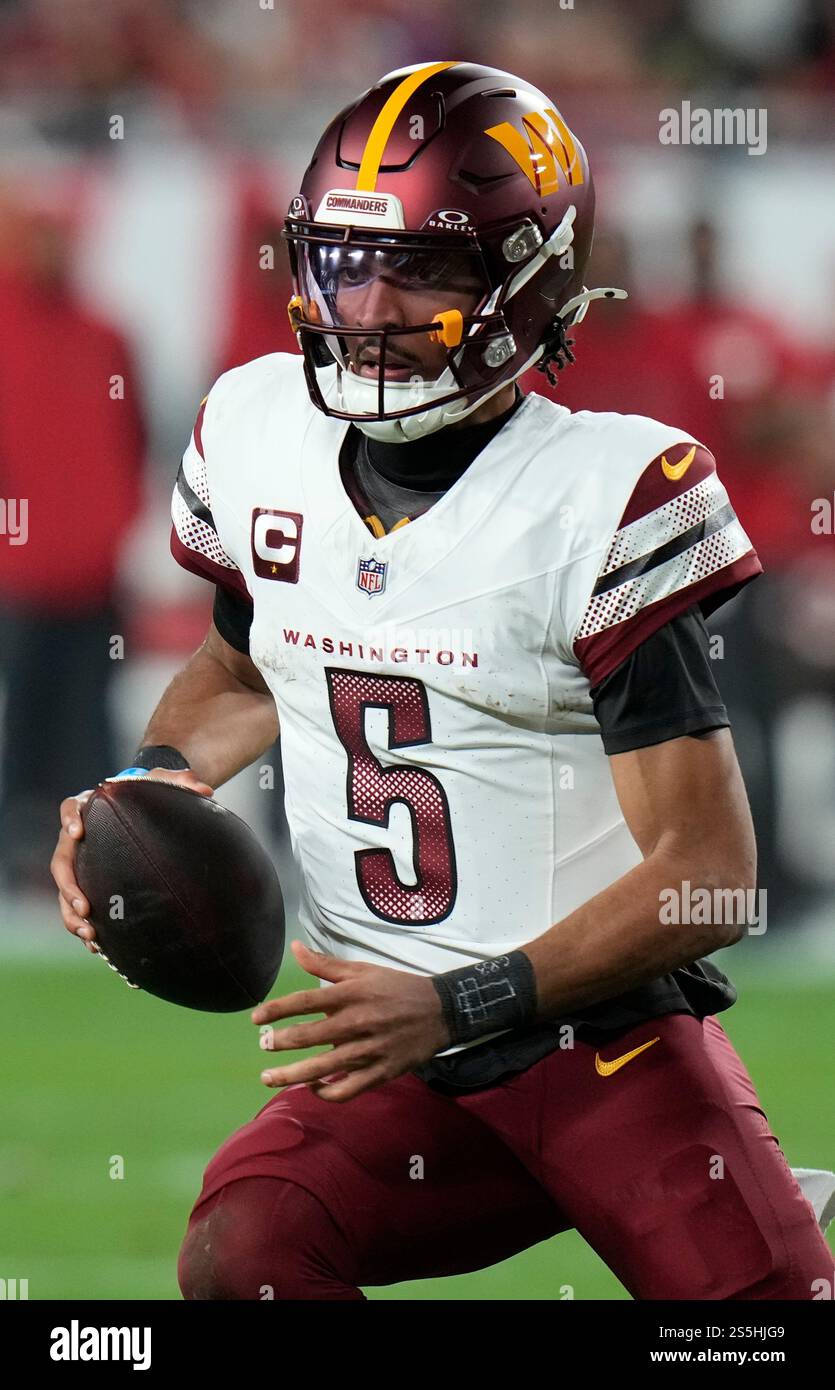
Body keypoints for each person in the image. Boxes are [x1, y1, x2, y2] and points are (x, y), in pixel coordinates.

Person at [52, 61, 835, 1300]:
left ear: (530, 279)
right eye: (342, 263)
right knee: (244, 1255)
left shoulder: (604, 493)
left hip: (600, 1044)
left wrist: (463, 997)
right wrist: (146, 789)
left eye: (422, 267)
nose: (367, 308)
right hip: (392, 1058)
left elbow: (709, 875)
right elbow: (242, 671)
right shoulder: (258, 432)